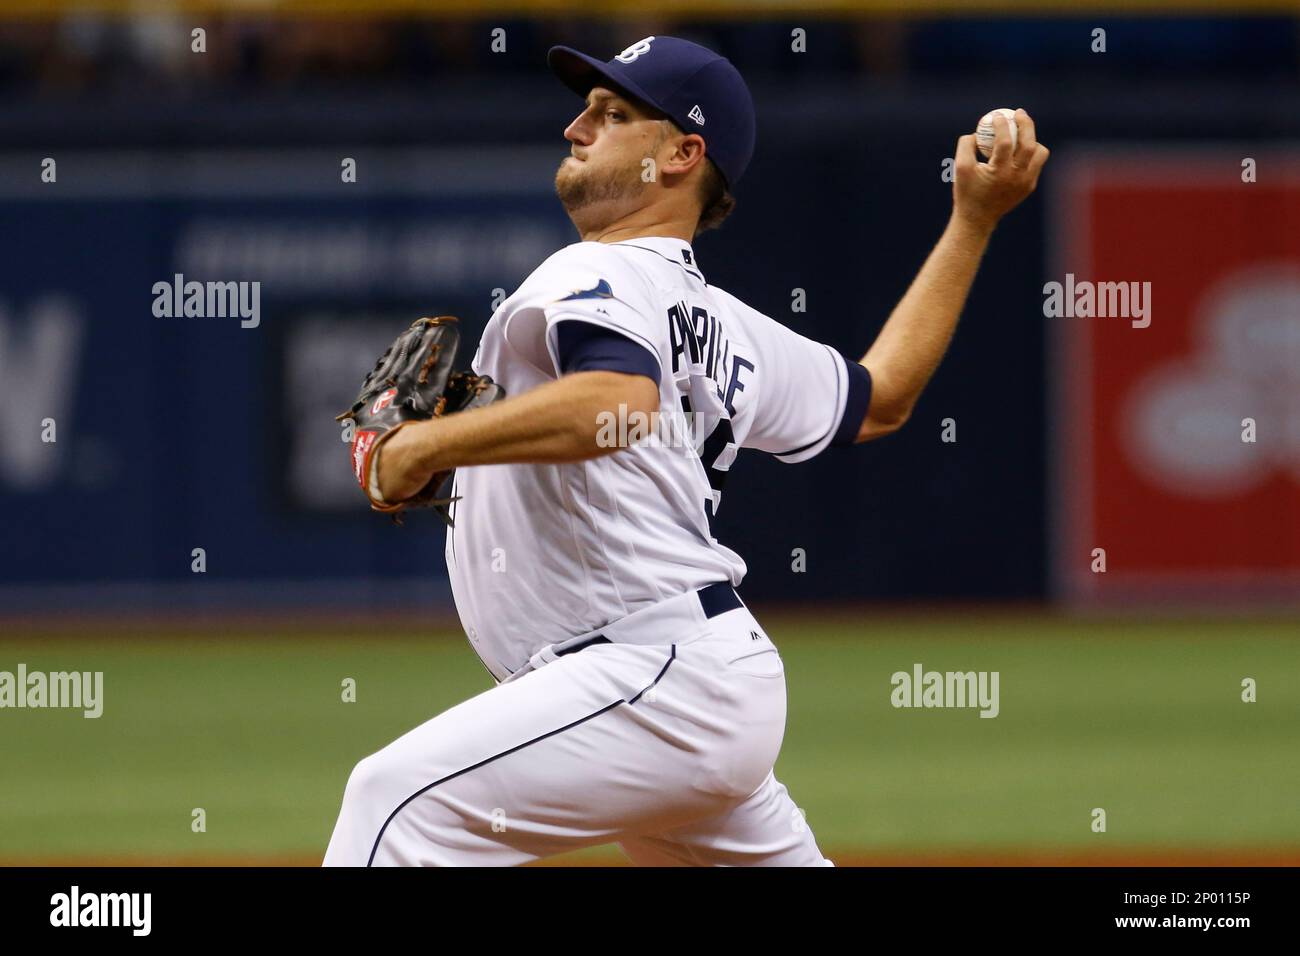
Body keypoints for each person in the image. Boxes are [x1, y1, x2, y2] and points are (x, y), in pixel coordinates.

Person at [323, 35, 1048, 867]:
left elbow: (619, 404)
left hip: (645, 674)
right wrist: (972, 220)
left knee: (394, 805)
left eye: (612, 112)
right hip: (679, 685)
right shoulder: (723, 325)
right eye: (586, 108)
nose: (576, 127)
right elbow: (882, 396)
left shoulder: (597, 274)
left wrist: (418, 448)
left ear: (681, 155)